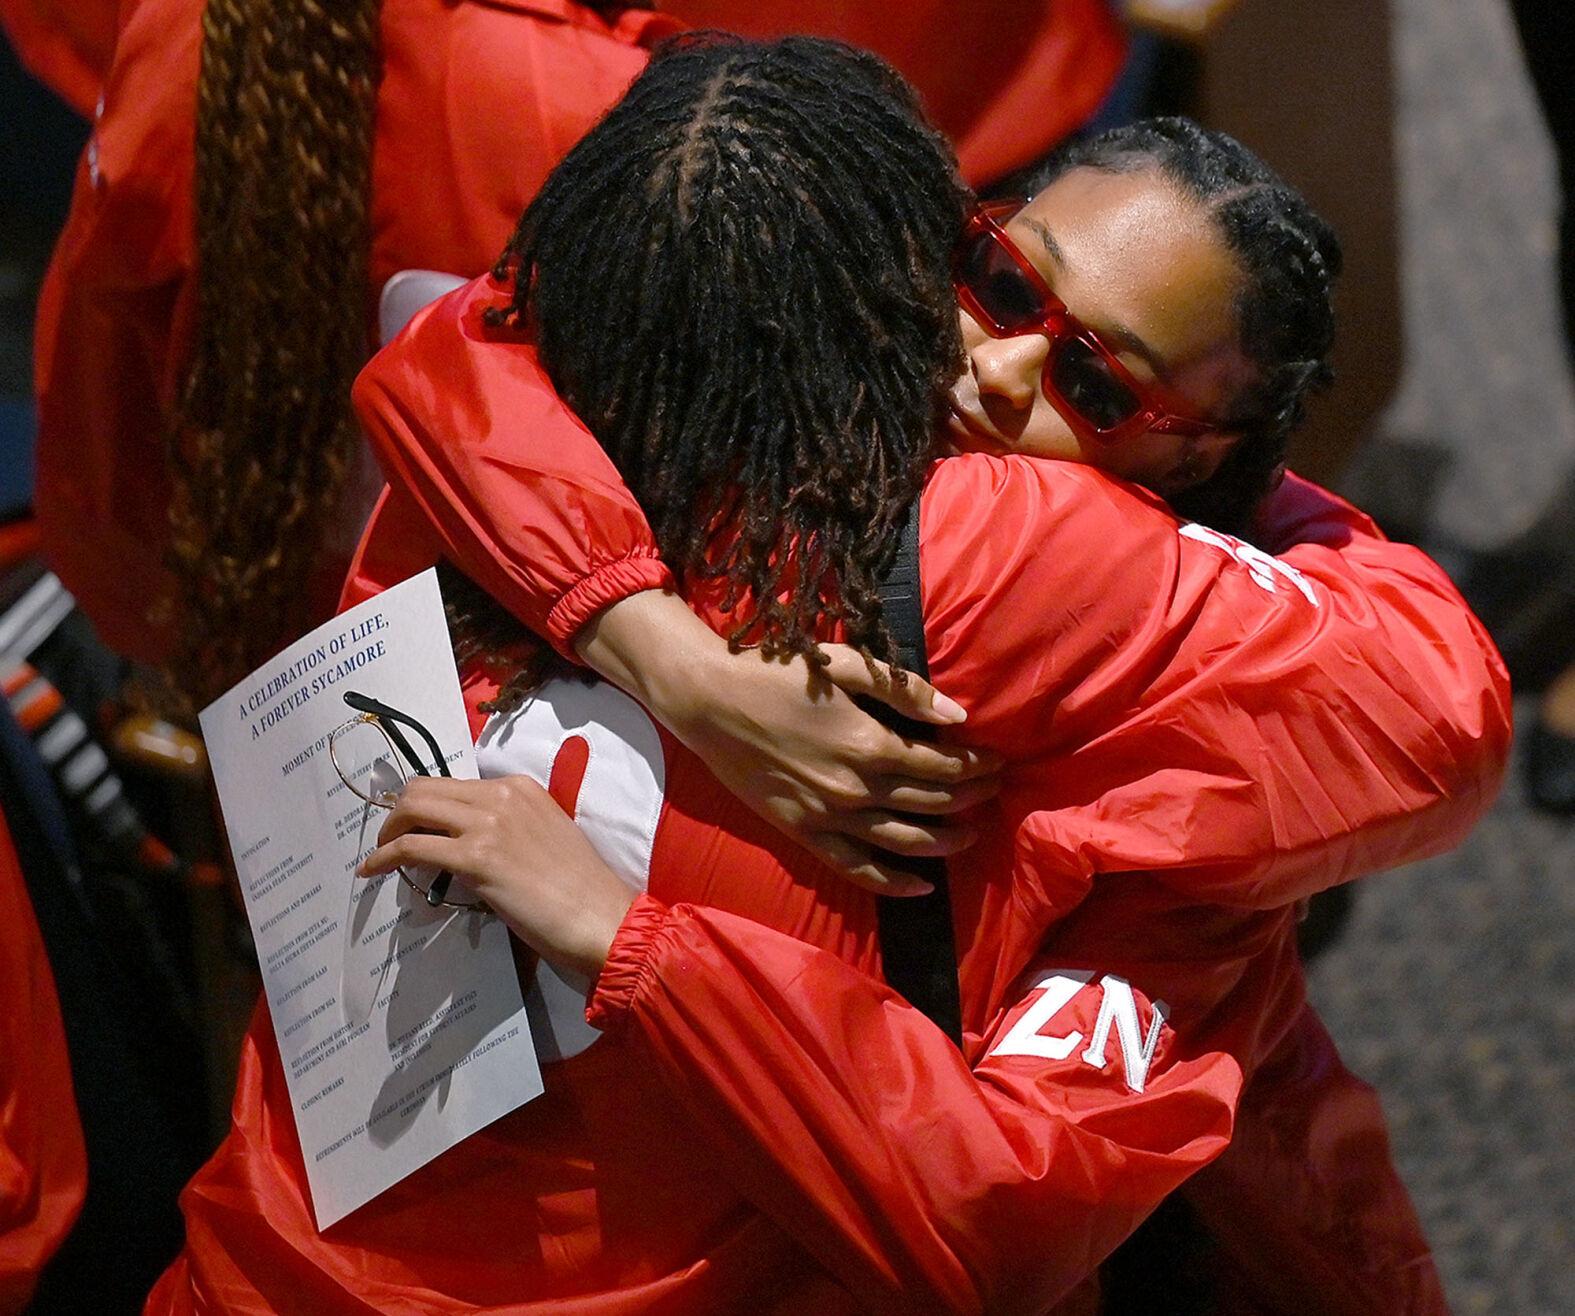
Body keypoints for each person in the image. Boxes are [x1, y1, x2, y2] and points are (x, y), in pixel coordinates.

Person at [153, 44, 1507, 1313]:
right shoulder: (1033, 544)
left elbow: (447, 348)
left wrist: (632, 898)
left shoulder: (556, 398)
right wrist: (665, 673)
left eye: (1096, 382)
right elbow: (1439, 697)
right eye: (1003, 280)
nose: (999, 364)